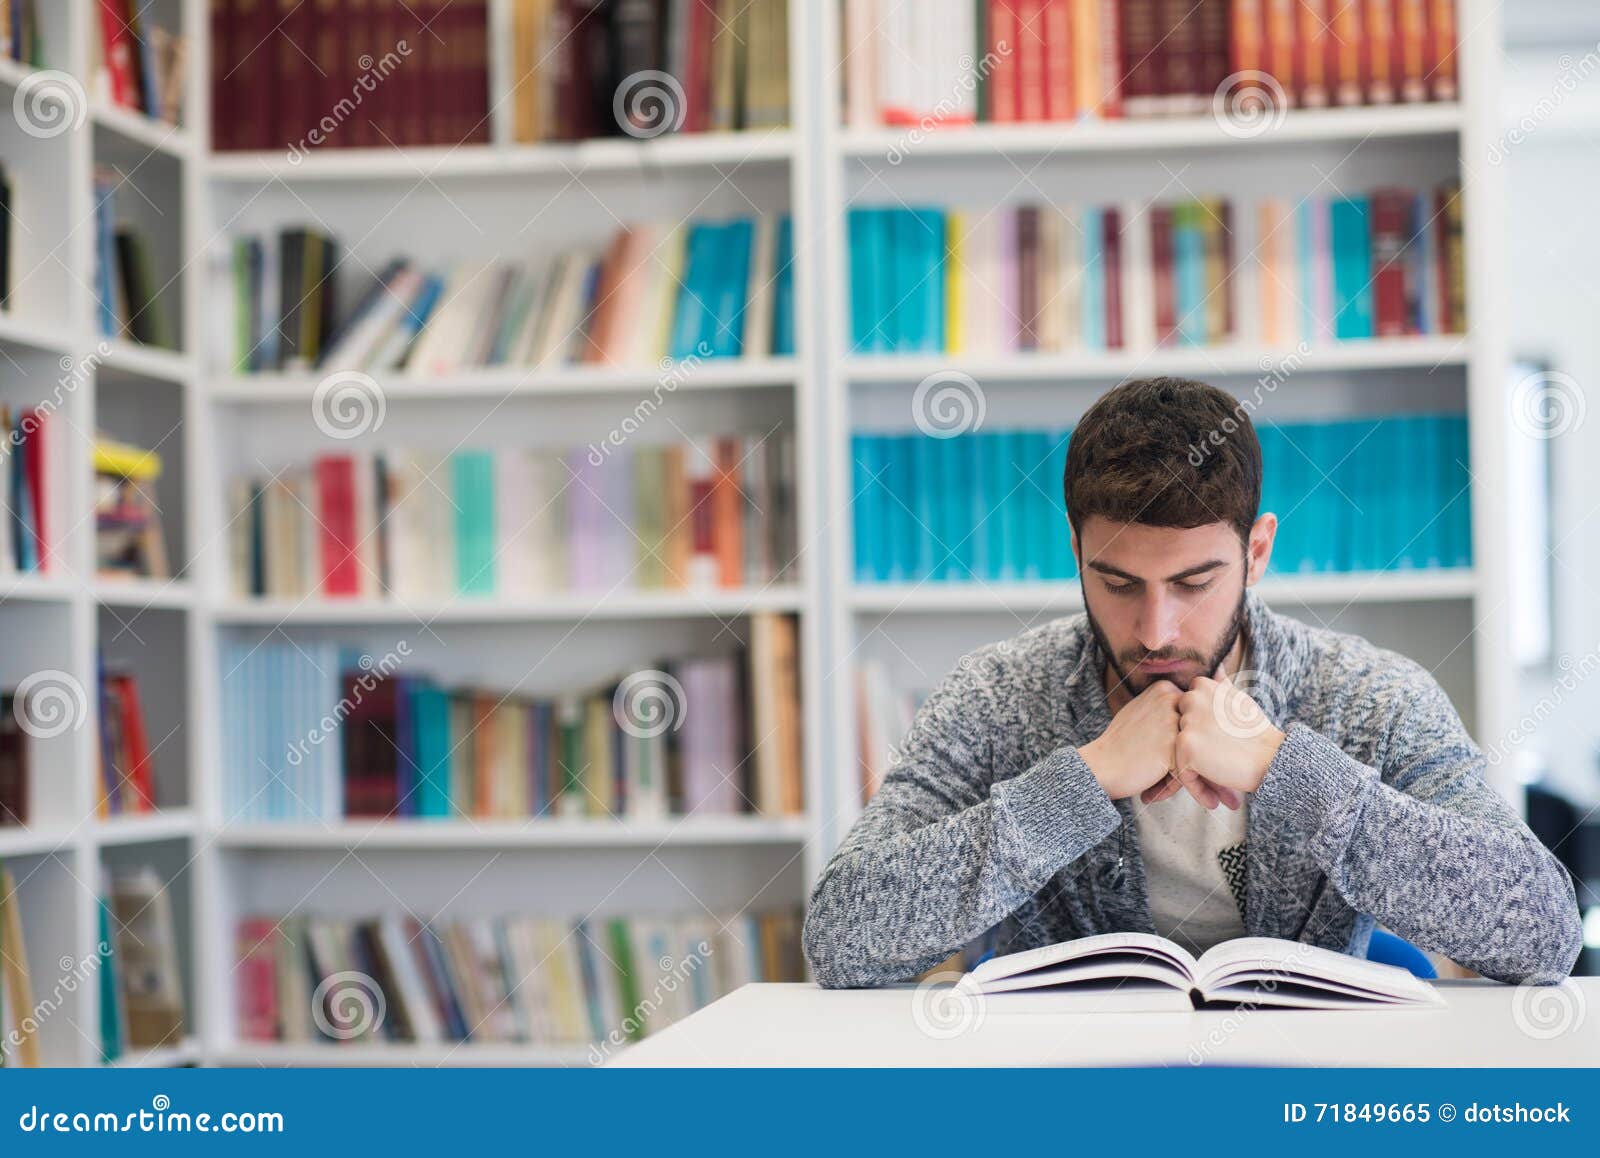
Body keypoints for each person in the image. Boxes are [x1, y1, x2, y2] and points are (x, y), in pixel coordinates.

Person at [803, 377, 1582, 988]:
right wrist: (1084, 780)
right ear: (1076, 550)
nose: (1156, 631)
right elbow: (841, 937)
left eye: (1194, 583)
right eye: (1117, 583)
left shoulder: (1370, 696)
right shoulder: (996, 697)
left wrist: (1288, 773)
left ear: (1258, 551)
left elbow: (1542, 930)